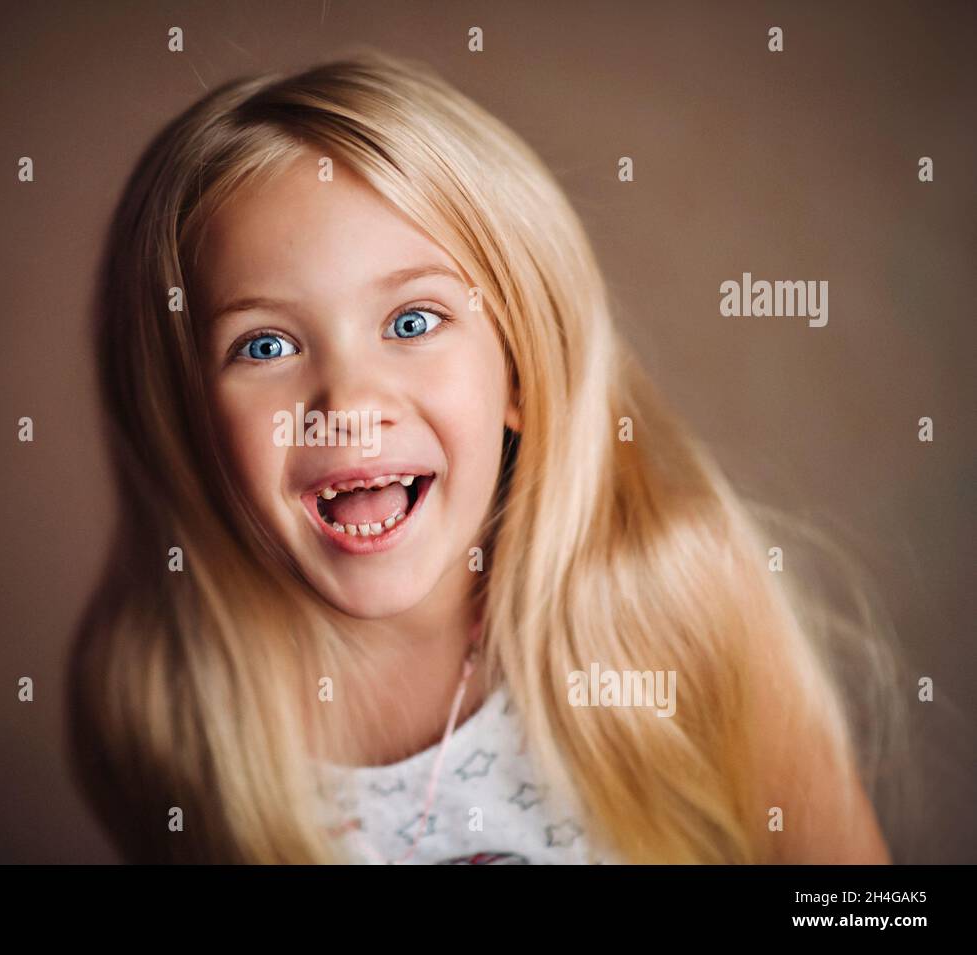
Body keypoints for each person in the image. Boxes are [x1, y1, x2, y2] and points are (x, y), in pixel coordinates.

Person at [69, 50, 902, 864]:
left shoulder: (672, 602)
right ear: (184, 416)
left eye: (412, 321)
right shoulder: (161, 704)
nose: (350, 403)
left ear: (519, 373)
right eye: (266, 342)